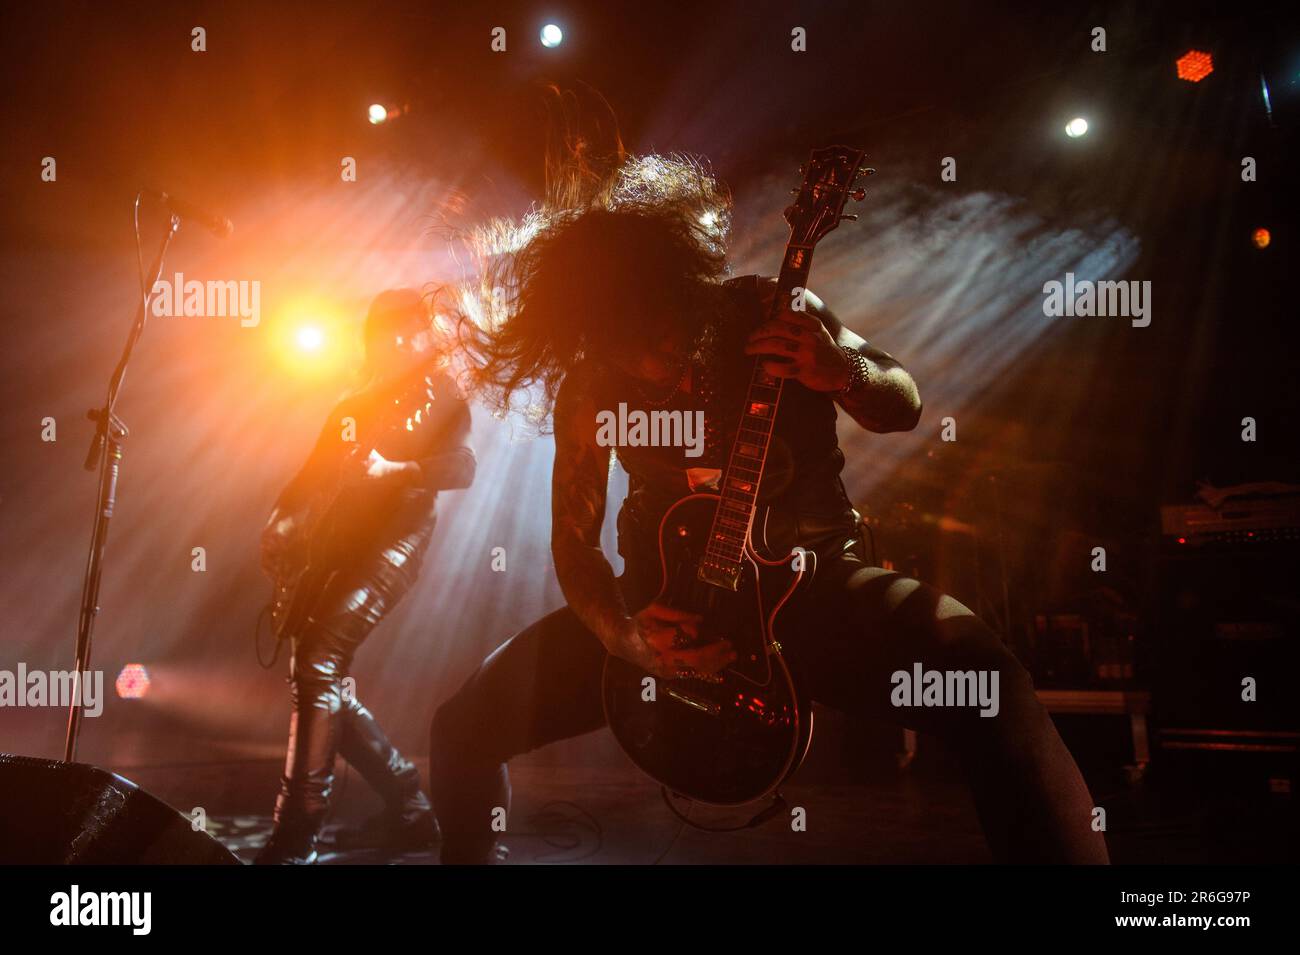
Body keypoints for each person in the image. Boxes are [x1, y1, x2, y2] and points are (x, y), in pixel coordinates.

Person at [430, 151, 1108, 865]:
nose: (646, 360)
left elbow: (903, 403)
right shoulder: (592, 386)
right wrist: (624, 637)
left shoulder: (772, 309)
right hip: (665, 607)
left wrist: (841, 371)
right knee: (462, 726)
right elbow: (574, 540)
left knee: (987, 681)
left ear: (681, 289)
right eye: (618, 343)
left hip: (808, 588)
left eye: (655, 332)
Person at [257, 289, 475, 864]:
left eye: (410, 331)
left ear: (426, 337)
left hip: (395, 547)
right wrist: (279, 523)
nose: (400, 341)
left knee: (318, 664)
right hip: (339, 553)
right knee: (317, 672)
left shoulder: (442, 394)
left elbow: (463, 467)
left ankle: (295, 834)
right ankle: (408, 809)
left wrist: (394, 469)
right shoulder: (353, 406)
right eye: (388, 331)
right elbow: (305, 482)